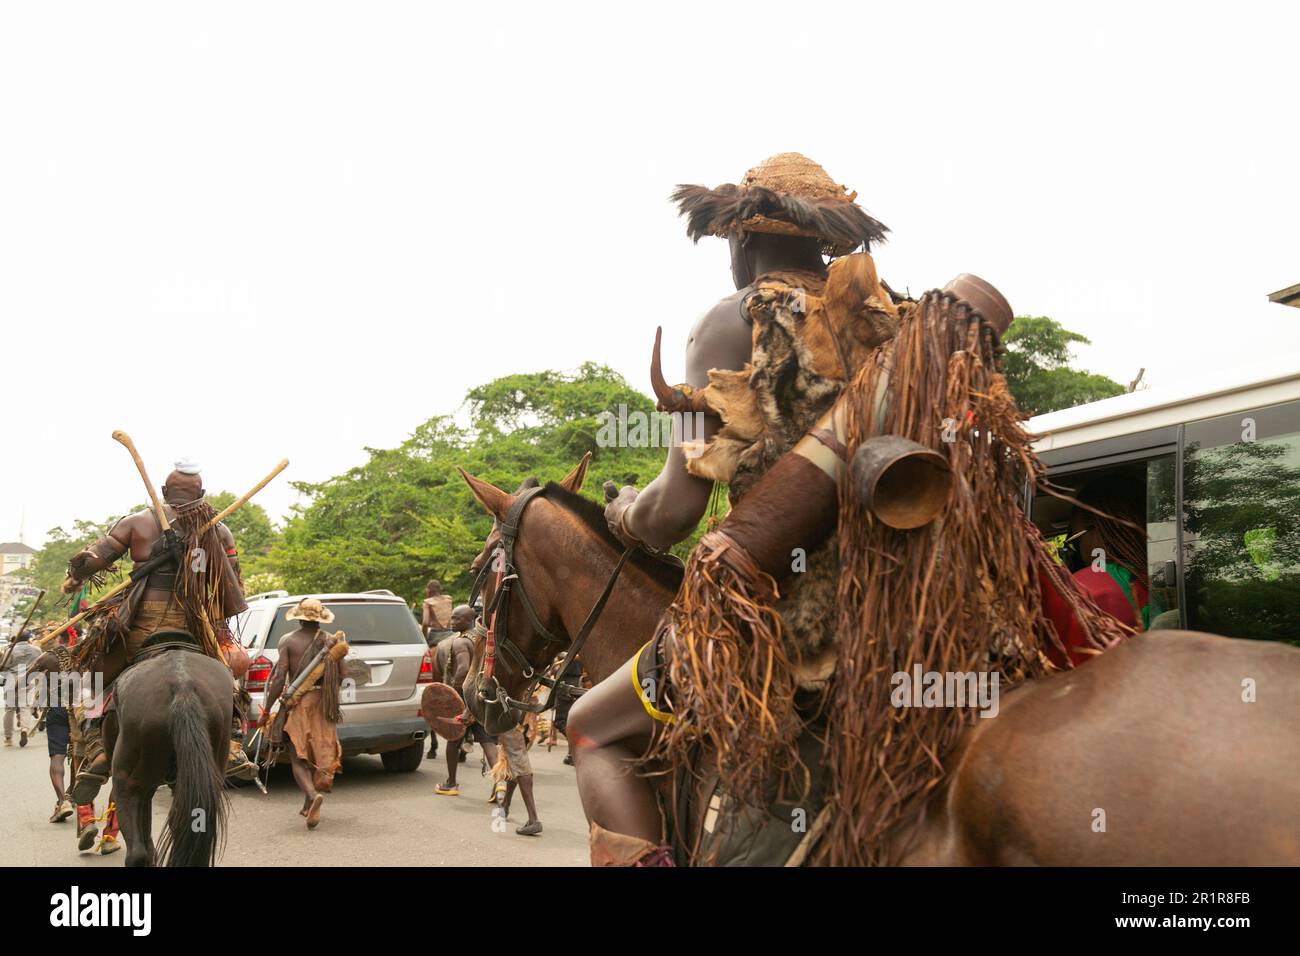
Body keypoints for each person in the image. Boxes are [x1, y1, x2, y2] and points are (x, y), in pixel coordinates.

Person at [569, 153, 893, 865]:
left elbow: (675, 510)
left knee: (589, 726)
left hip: (777, 617)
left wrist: (625, 513)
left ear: (741, 239)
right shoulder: (889, 322)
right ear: (826, 242)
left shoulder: (726, 323)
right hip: (901, 610)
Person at [60, 460, 257, 804]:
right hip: (196, 626)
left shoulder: (137, 522)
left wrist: (78, 568)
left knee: (90, 680)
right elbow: (233, 583)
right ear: (203, 494)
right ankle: (233, 744)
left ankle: (96, 749)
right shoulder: (219, 531)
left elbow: (94, 560)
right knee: (227, 677)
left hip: (139, 623)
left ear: (165, 493)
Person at [1042, 475, 1152, 667]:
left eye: (1075, 541)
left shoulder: (1084, 589)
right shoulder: (1152, 577)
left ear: (1094, 530)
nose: (1076, 552)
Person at [263, 598, 344, 830]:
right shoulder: (332, 642)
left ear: (299, 617)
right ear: (320, 619)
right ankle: (309, 802)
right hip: (324, 703)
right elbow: (342, 675)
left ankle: (311, 794)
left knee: (298, 755)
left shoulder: (288, 641)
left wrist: (268, 709)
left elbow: (279, 678)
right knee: (318, 750)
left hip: (299, 703)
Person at [1, 629, 43, 747]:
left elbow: (4, 667)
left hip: (12, 679)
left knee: (9, 709)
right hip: (28, 680)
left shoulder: (10, 650)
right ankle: (24, 730)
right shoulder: (36, 650)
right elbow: (41, 664)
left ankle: (8, 738)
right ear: (28, 638)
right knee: (25, 707)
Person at [421, 579, 454, 644]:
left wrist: (424, 638)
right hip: (450, 633)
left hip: (436, 635)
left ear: (428, 590)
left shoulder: (427, 603)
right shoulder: (448, 600)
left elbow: (425, 623)